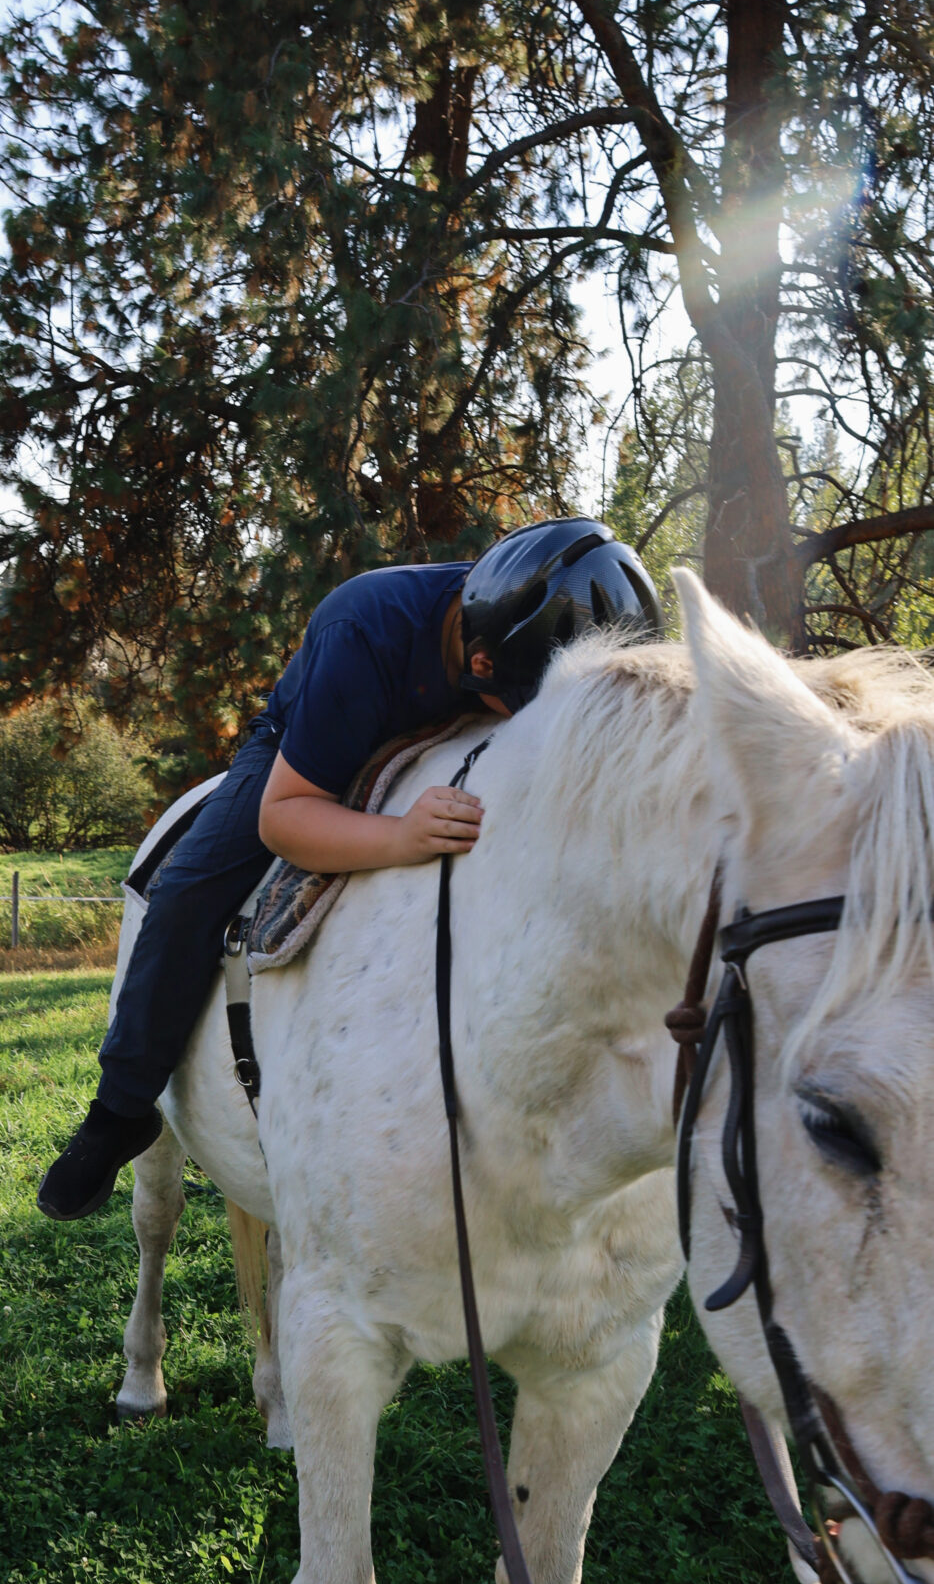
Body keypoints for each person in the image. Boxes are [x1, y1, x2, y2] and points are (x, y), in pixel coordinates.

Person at [36, 516, 664, 1220]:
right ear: (481, 664)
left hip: (449, 729)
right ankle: (119, 1108)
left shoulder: (538, 619)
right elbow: (286, 816)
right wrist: (400, 837)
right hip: (314, 744)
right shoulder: (364, 629)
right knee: (188, 887)